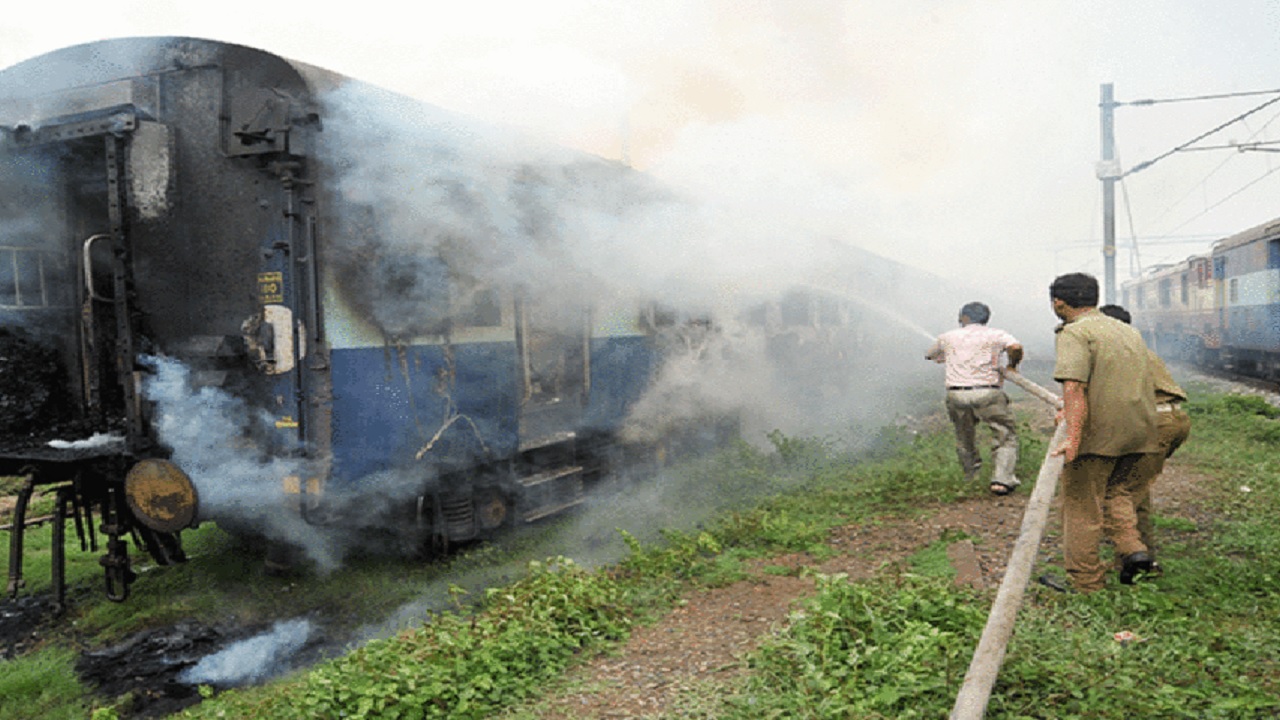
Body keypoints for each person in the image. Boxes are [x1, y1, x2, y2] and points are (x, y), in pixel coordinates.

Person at [1050, 274, 1162, 592]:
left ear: (1058, 302)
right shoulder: (1127, 330)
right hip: (1139, 430)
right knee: (1118, 494)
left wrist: (1073, 436)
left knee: (1082, 506)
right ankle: (1133, 550)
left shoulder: (1075, 332)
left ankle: (1086, 583)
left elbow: (1074, 386)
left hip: (1100, 435)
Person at [1099, 304, 1191, 575]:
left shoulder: (1115, 353)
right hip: (1172, 420)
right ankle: (1145, 556)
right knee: (1135, 488)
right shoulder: (1141, 349)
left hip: (1154, 423)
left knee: (1119, 491)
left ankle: (1134, 558)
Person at [925, 301, 1024, 496]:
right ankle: (1001, 480)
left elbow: (930, 355)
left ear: (964, 318)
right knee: (1004, 435)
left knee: (964, 437)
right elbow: (1015, 347)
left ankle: (971, 476)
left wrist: (949, 355)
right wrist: (1012, 364)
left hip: (957, 394)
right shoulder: (996, 334)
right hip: (987, 392)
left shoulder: (948, 336)